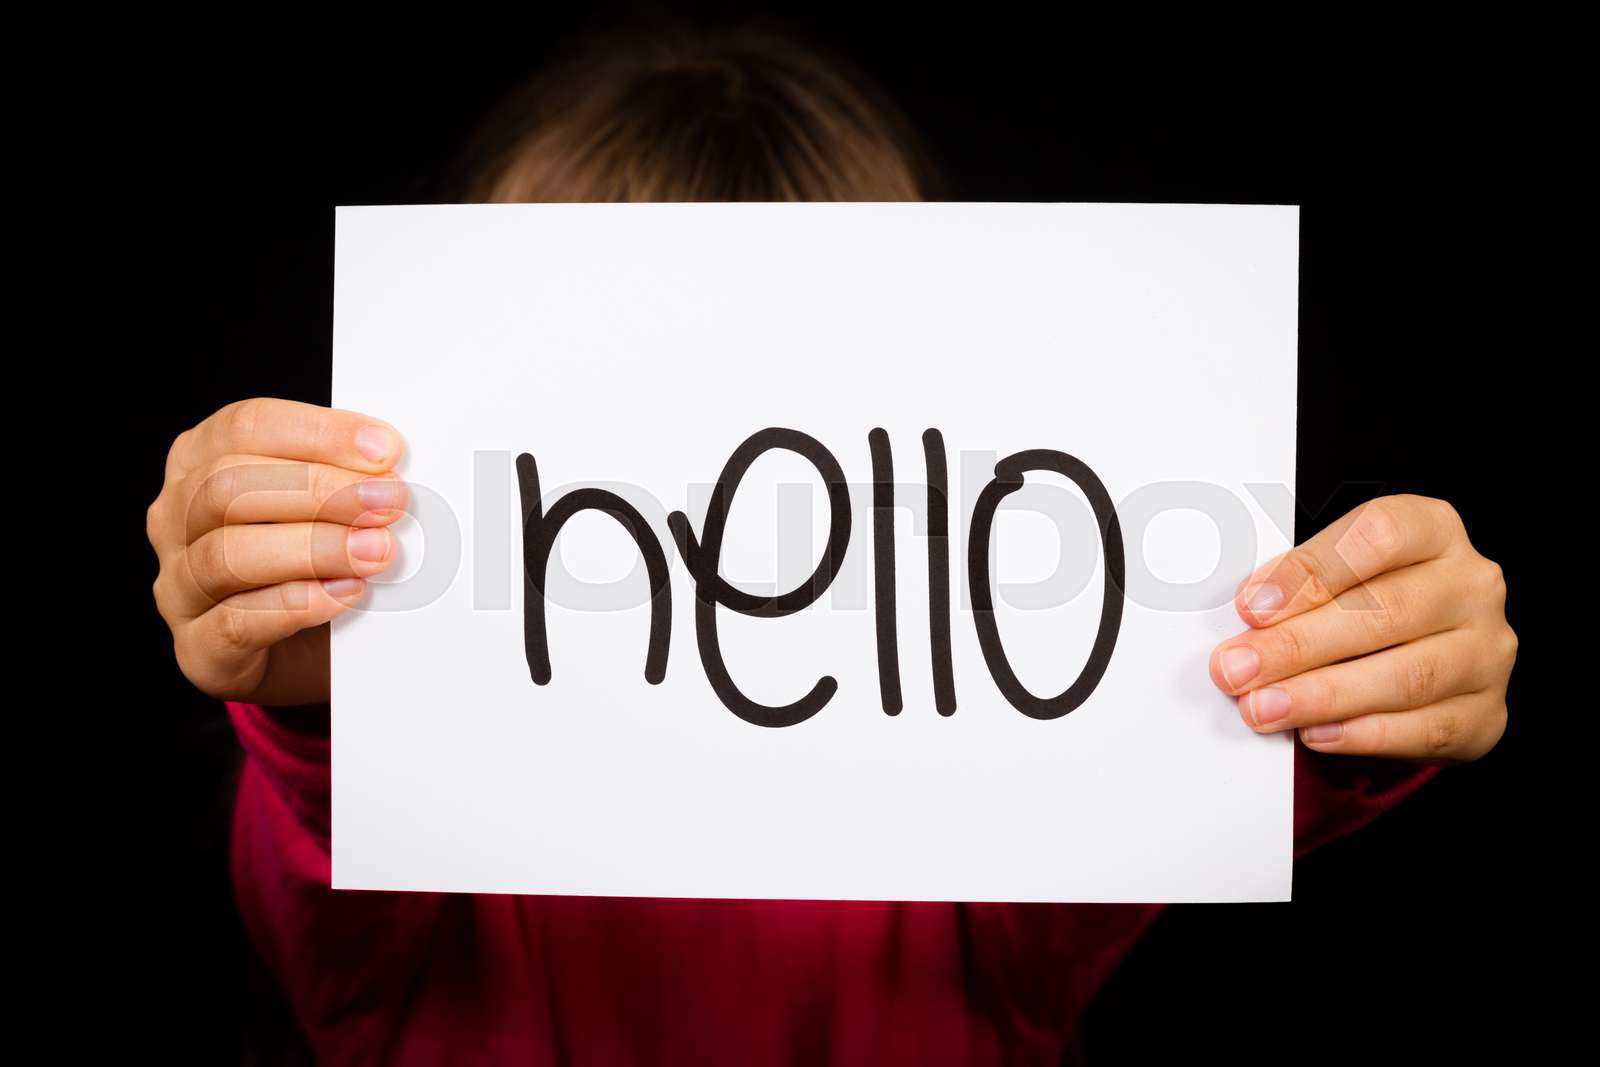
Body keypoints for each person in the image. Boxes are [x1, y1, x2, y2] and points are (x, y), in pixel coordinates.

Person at [144, 26, 1516, 1065]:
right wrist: (318, 662)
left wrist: (1355, 688)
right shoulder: (423, 827)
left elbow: (1161, 779)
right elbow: (321, 847)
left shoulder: (989, 823)